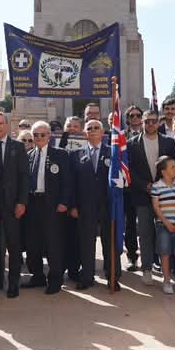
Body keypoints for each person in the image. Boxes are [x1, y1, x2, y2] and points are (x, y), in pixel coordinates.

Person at [126, 110, 175, 285]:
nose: (150, 124)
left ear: (158, 123)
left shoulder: (169, 143)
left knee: (165, 233)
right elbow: (129, 170)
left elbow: (174, 168)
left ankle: (167, 271)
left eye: (153, 121)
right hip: (143, 195)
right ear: (141, 122)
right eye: (147, 121)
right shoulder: (132, 143)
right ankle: (146, 268)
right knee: (145, 233)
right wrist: (145, 186)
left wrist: (164, 185)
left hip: (165, 196)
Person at [22, 120, 73, 294]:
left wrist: (64, 202)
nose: (39, 138)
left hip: (52, 205)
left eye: (42, 134)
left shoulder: (60, 155)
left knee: (53, 244)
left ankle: (55, 279)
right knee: (32, 243)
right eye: (35, 135)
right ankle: (37, 276)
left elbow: (68, 182)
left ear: (49, 136)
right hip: (32, 204)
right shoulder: (29, 155)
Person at [0, 111, 29, 297]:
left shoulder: (18, 147)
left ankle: (13, 283)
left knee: (14, 245)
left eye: (1, 123)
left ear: (8, 125)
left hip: (12, 205)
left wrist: (22, 202)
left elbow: (25, 178)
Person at [69, 119, 111, 290]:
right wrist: (73, 206)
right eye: (89, 129)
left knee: (110, 243)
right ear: (84, 134)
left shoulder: (113, 153)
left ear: (102, 132)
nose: (93, 131)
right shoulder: (76, 155)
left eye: (96, 128)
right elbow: (72, 184)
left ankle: (112, 275)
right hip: (85, 207)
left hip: (108, 206)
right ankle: (87, 277)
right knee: (86, 243)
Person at [151, 156, 175, 295]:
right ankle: (166, 281)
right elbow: (156, 207)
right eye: (172, 167)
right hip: (163, 225)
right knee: (165, 253)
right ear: (163, 171)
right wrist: (166, 223)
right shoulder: (156, 187)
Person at [122, 105, 144, 270]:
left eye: (138, 115)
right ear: (127, 119)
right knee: (130, 224)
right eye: (132, 116)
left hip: (145, 187)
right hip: (128, 188)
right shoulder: (121, 137)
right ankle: (132, 256)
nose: (135, 118)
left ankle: (151, 258)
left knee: (147, 224)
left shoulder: (149, 135)